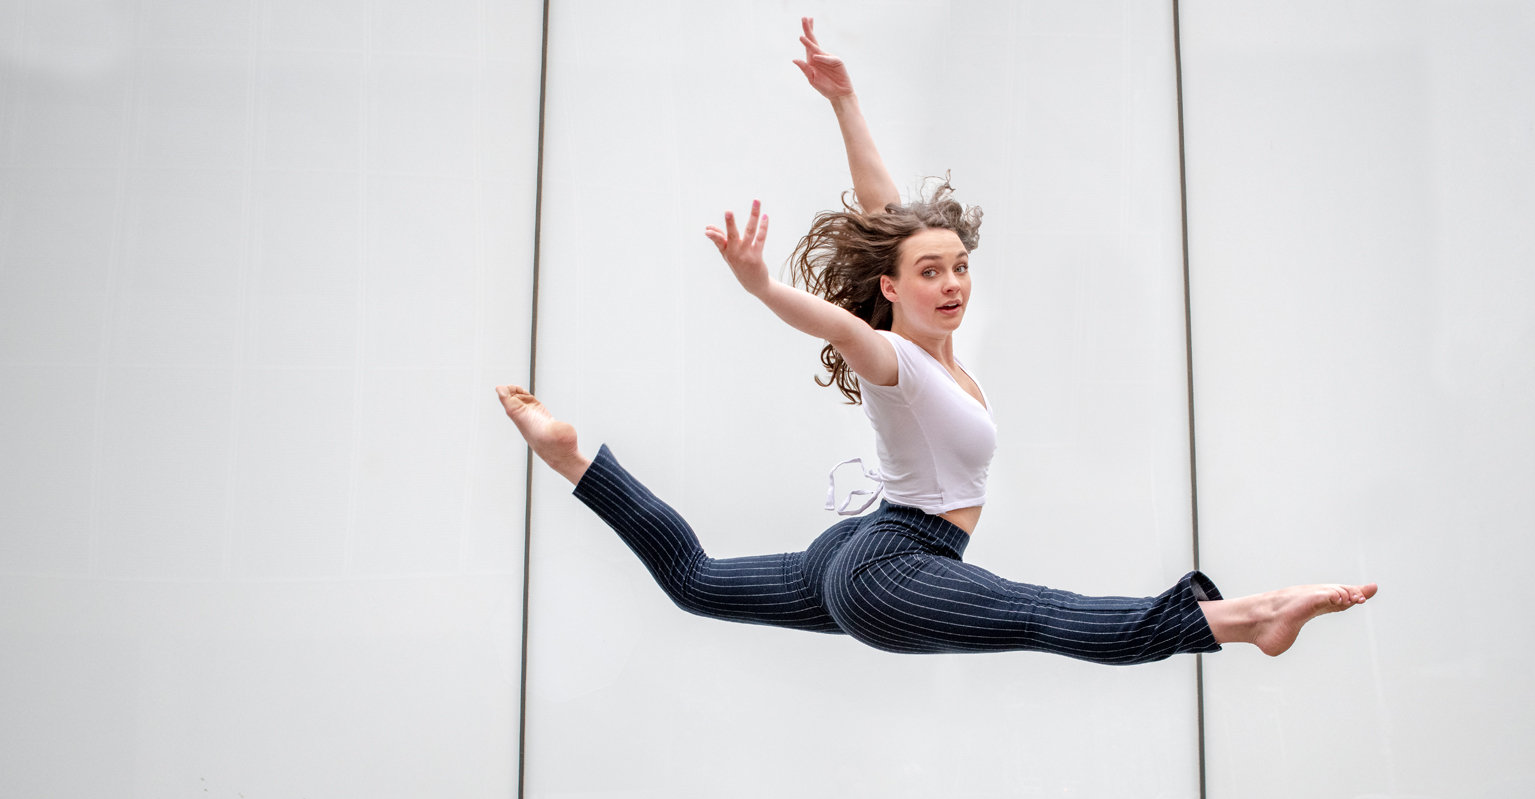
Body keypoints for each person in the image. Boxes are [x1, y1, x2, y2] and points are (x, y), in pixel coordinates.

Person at [497, 18, 1375, 664]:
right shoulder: (898, 364)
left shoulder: (934, 343)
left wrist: (844, 100)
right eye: (931, 274)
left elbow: (886, 218)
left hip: (859, 552)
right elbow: (837, 322)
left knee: (695, 581)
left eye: (959, 267)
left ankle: (573, 457)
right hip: (892, 562)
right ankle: (1252, 616)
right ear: (894, 290)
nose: (952, 283)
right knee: (1045, 614)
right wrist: (763, 286)